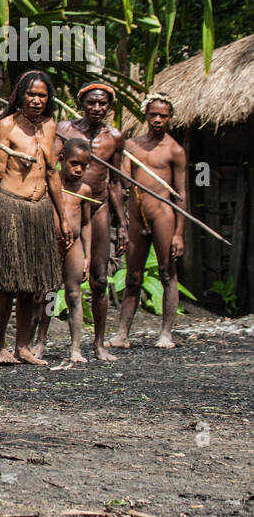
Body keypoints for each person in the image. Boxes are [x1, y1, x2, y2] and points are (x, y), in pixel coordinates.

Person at [0, 71, 71, 366]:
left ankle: (22, 347)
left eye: (42, 95)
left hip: (39, 208)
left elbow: (52, 172)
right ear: (20, 95)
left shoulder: (50, 125)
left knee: (32, 282)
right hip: (10, 205)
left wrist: (63, 216)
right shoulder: (8, 125)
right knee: (9, 281)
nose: (37, 100)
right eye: (31, 94)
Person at [110, 93, 187, 349]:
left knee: (167, 273)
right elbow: (123, 182)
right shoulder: (132, 146)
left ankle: (166, 333)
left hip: (162, 215)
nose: (157, 120)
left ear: (170, 118)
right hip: (136, 217)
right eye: (153, 114)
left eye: (163, 116)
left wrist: (179, 233)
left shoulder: (175, 150)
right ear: (146, 115)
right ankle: (122, 334)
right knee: (132, 276)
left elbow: (181, 194)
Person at [55, 83, 126, 361]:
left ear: (109, 107)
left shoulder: (115, 138)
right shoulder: (64, 130)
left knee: (99, 278)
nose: (97, 108)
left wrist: (121, 224)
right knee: (50, 282)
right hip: (66, 201)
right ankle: (39, 342)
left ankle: (98, 344)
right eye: (92, 103)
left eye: (103, 104)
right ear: (81, 103)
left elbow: (116, 183)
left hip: (98, 207)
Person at [37, 137, 96, 365]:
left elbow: (86, 223)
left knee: (73, 294)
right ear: (61, 160)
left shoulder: (85, 190)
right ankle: (40, 341)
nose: (79, 169)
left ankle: (75, 348)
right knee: (49, 293)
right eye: (74, 163)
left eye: (84, 165)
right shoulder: (50, 186)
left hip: (75, 245)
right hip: (52, 245)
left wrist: (88, 255)